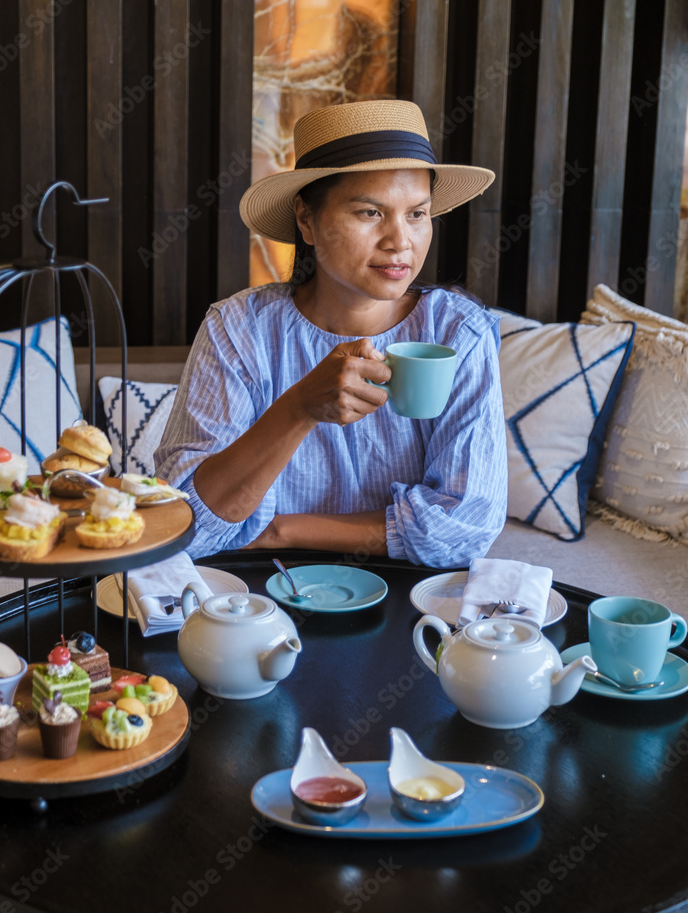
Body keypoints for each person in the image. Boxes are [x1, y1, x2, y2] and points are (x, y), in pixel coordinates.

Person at [154, 100, 507, 566]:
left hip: (407, 600)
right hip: (256, 598)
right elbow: (182, 524)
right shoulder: (239, 329)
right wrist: (298, 408)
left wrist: (281, 530)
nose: (400, 241)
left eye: (417, 214)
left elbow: (464, 529)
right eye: (369, 213)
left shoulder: (460, 333)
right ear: (306, 219)